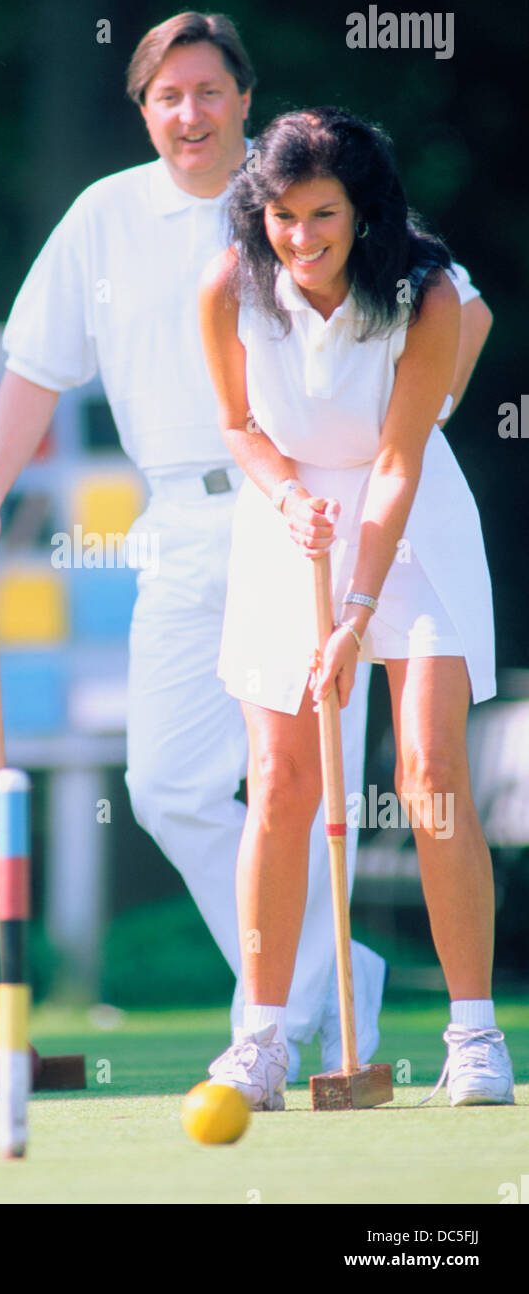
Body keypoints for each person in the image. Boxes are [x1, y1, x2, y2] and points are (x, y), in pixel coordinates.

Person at [0, 13, 492, 1080]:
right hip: (198, 519)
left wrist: (414, 424)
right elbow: (35, 367)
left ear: (245, 97)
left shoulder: (317, 187)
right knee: (170, 787)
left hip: (344, 510)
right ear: (142, 108)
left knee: (350, 778)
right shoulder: (107, 217)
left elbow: (454, 311)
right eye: (165, 95)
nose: (186, 113)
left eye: (205, 91)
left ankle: (292, 1022)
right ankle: (324, 979)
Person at [198, 106, 513, 1109]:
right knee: (281, 783)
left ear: (363, 212)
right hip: (285, 520)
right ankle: (261, 1038)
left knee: (427, 772)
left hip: (407, 525)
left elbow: (397, 459)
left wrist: (352, 613)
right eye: (282, 216)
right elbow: (238, 424)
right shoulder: (227, 285)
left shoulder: (424, 296)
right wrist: (288, 497)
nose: (300, 238)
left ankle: (472, 1036)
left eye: (322, 215)